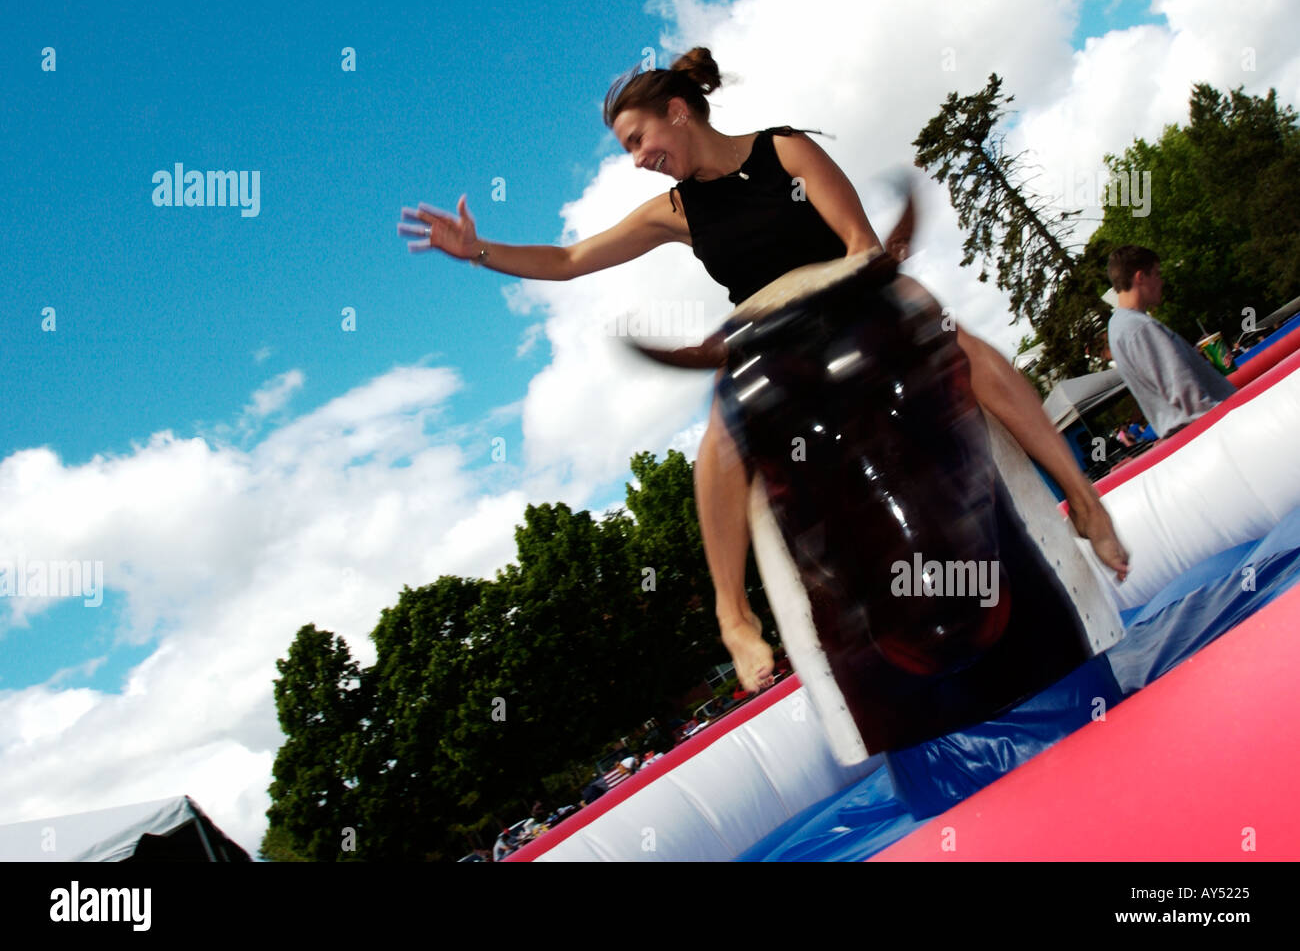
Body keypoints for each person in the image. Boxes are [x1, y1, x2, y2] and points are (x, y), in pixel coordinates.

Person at [402, 47, 1131, 693]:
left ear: (678, 112)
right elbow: (568, 261)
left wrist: (867, 293)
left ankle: (1081, 499)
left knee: (964, 345)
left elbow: (857, 241)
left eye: (638, 140)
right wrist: (478, 251)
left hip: (852, 303)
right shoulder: (674, 213)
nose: (636, 159)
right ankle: (734, 613)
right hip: (769, 348)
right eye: (626, 151)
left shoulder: (784, 153)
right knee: (718, 442)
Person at [1106, 246, 1236, 440]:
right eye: (1157, 274)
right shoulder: (1138, 327)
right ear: (1140, 277)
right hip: (1212, 432)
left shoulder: (1119, 325)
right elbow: (1185, 393)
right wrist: (1231, 424)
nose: (1161, 281)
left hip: (1195, 435)